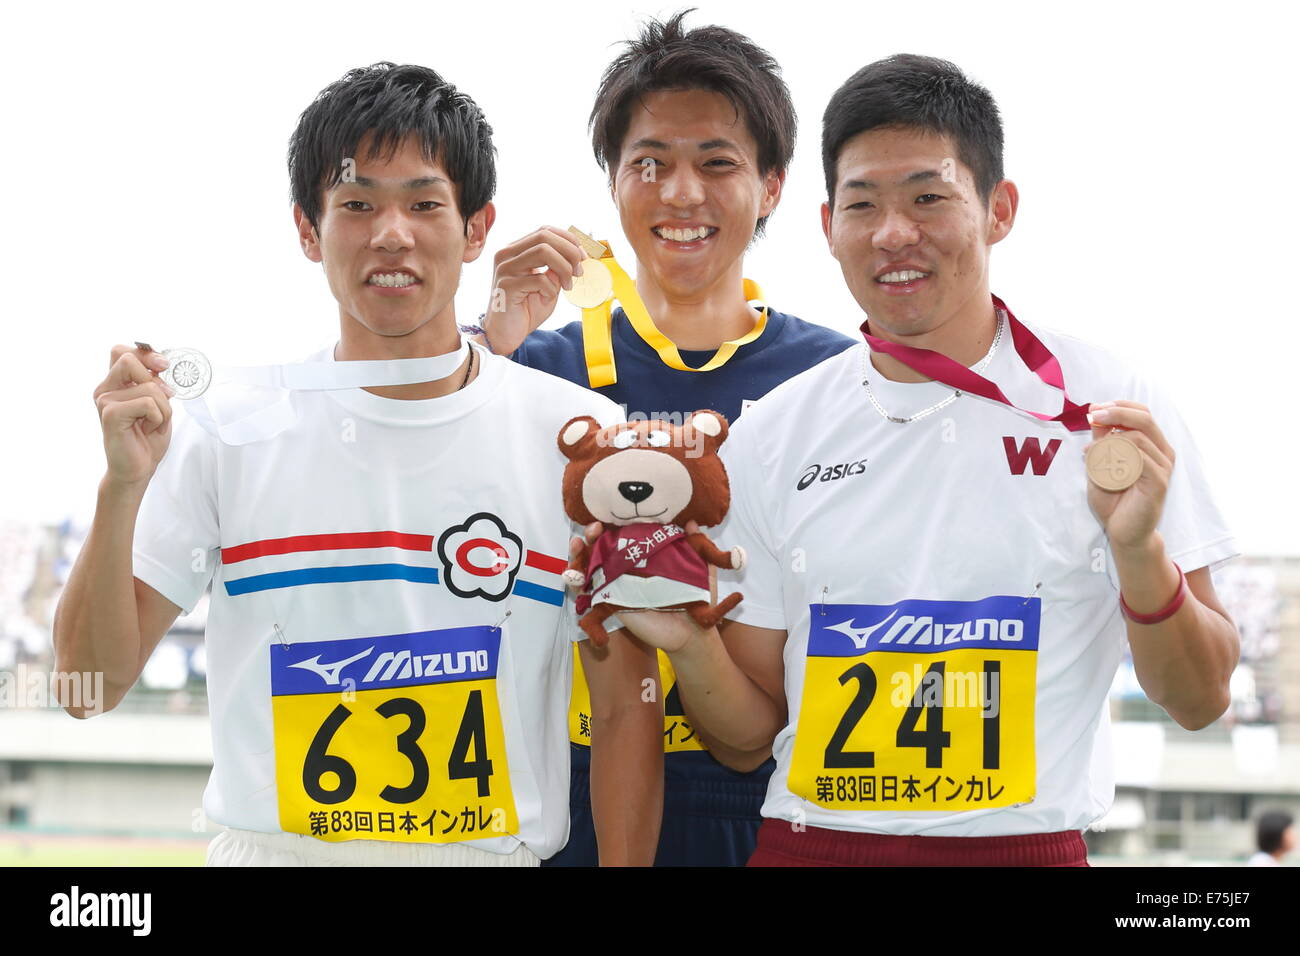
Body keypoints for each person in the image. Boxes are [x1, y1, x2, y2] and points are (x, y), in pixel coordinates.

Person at [615, 54, 1241, 866]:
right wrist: (689, 643)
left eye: (928, 198)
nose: (893, 234)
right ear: (827, 224)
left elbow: (1199, 700)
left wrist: (1137, 552)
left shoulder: (1105, 405)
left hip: (1025, 849)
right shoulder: (772, 432)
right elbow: (744, 742)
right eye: (862, 204)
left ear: (999, 209)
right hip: (809, 848)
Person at [52, 62, 624, 866]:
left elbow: (629, 708)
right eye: (357, 204)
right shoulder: (224, 433)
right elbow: (87, 686)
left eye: (425, 203)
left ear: (477, 227)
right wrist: (121, 488)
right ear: (307, 230)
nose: (392, 233)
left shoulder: (579, 438)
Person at [467, 11, 855, 867]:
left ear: (774, 185)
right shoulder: (529, 362)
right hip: (558, 794)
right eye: (650, 163)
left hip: (762, 799)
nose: (681, 194)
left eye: (717, 162)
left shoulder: (832, 380)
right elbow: (409, 448)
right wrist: (488, 341)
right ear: (612, 182)